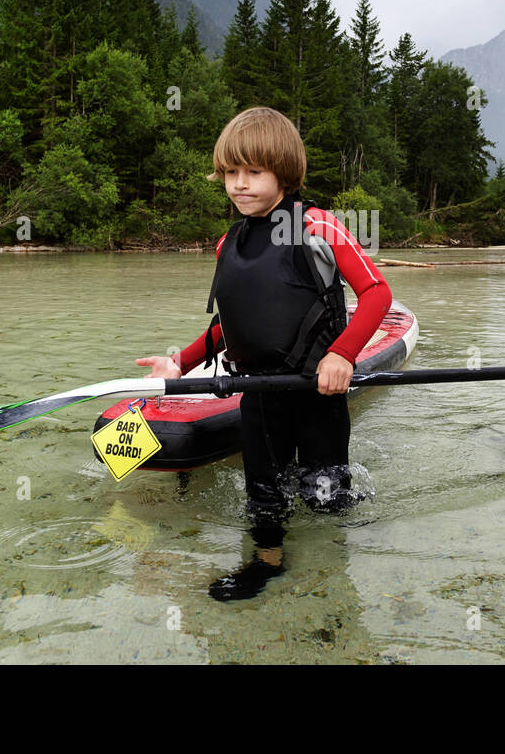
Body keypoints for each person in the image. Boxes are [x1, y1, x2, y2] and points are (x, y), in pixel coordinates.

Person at [135, 107, 392, 600]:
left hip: (316, 389)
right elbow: (228, 326)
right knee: (262, 491)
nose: (239, 184)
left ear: (284, 172)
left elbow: (376, 293)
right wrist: (180, 363)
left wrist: (341, 355)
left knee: (324, 496)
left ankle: (331, 569)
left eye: (254, 172)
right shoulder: (227, 242)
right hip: (255, 390)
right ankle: (267, 561)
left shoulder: (319, 226)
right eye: (232, 172)